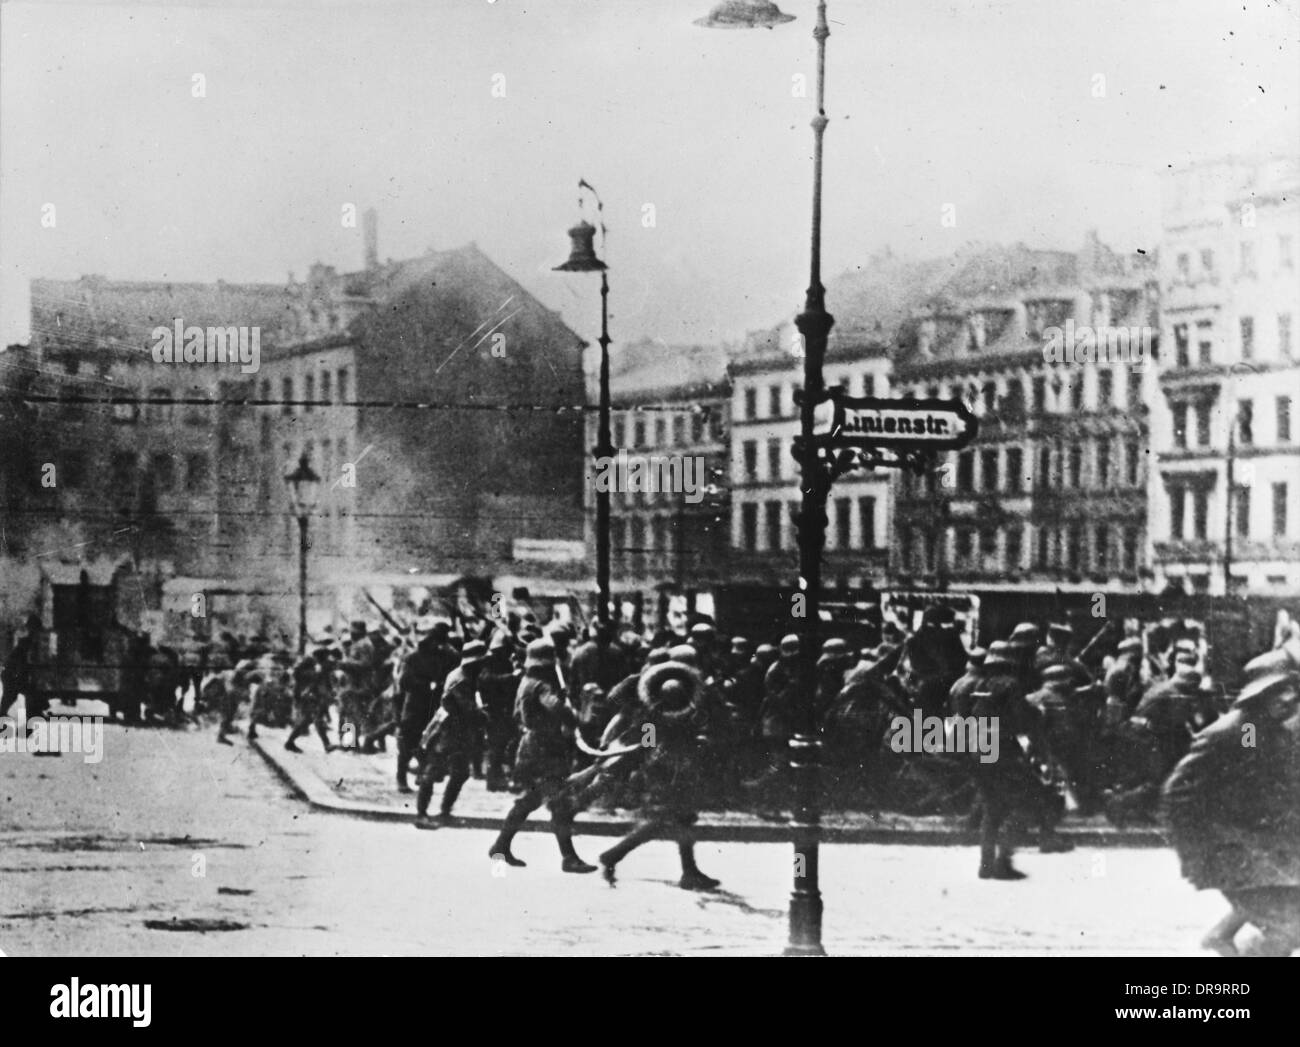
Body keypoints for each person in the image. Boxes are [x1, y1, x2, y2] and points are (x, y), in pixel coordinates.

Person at [1163, 670, 1300, 956]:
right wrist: (1195, 844)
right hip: (1229, 848)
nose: (1287, 701)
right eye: (1279, 694)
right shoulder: (1242, 729)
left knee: (1285, 905)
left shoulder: (1261, 729)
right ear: (1260, 697)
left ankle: (1221, 937)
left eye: (1291, 695)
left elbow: (1258, 772)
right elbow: (1179, 791)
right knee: (1288, 924)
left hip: (1254, 844)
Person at [596, 659, 720, 891]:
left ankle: (689, 871)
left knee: (682, 819)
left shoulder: (657, 716)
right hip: (668, 773)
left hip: (674, 769)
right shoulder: (668, 716)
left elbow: (648, 744)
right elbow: (648, 745)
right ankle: (613, 855)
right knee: (662, 820)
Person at [486, 639, 596, 873]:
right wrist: (572, 715)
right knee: (559, 803)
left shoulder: (527, 682)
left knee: (531, 799)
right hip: (545, 748)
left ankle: (500, 845)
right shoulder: (542, 686)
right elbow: (556, 708)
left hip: (530, 746)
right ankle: (569, 858)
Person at [414, 640, 489, 828]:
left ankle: (445, 811)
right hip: (447, 732)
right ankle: (421, 814)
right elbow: (468, 709)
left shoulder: (466, 675)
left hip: (458, 732)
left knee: (461, 772)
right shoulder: (461, 679)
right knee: (432, 772)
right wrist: (483, 716)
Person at [478, 630, 521, 792]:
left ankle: (497, 777)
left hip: (504, 708)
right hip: (493, 709)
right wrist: (511, 677)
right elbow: (486, 680)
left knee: (503, 743)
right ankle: (493, 779)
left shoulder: (505, 661)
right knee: (496, 744)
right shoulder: (488, 662)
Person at [284, 647, 335, 753]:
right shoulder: (309, 662)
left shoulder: (323, 665)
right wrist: (312, 674)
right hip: (307, 695)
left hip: (315, 695)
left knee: (310, 720)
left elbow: (325, 680)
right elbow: (296, 673)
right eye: (325, 655)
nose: (327, 657)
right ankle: (327, 744)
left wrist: (329, 691)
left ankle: (290, 742)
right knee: (312, 719)